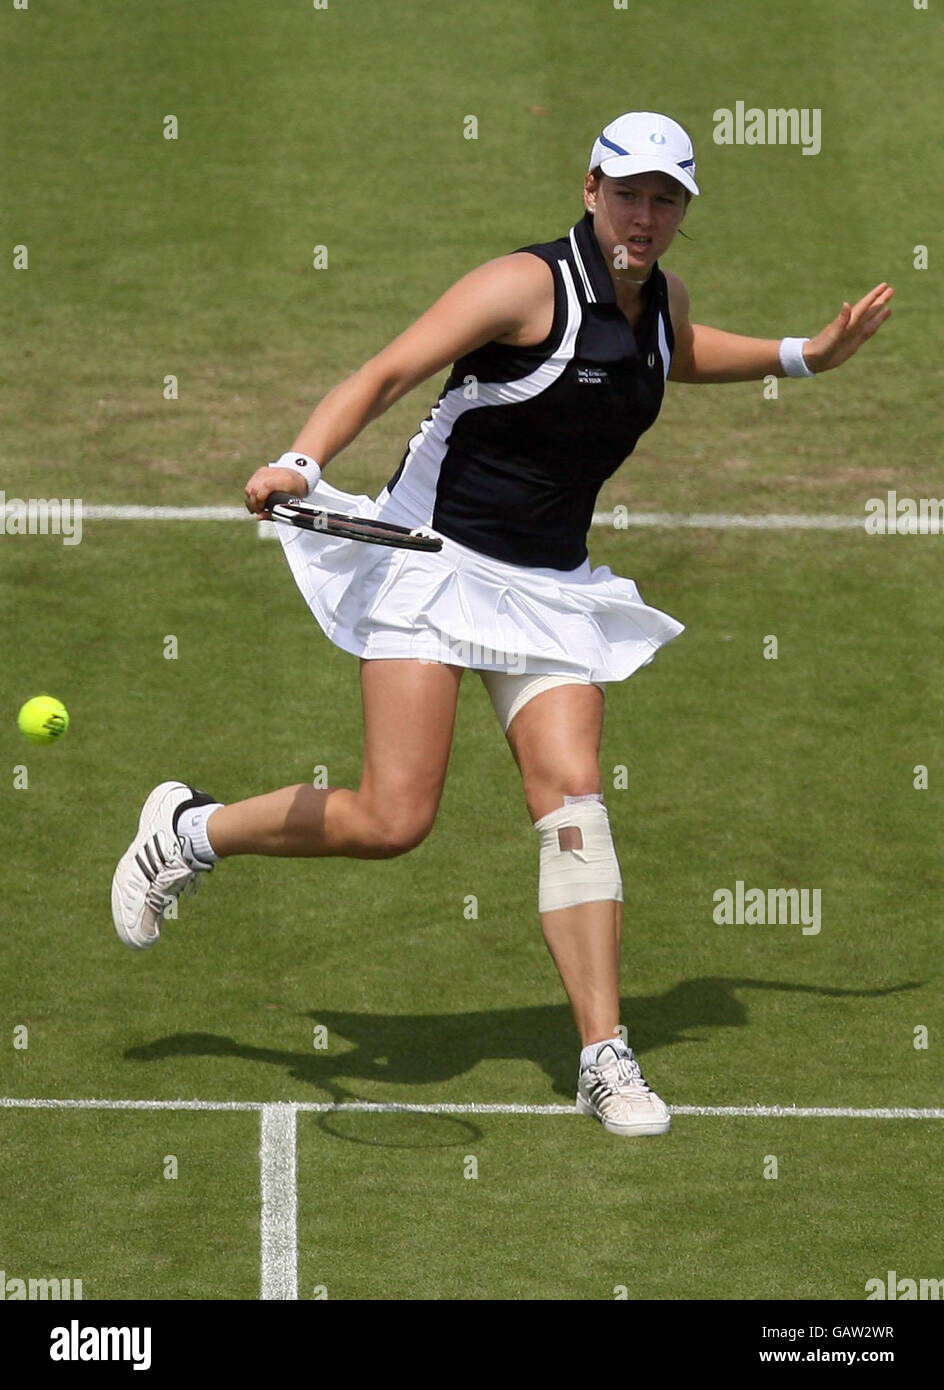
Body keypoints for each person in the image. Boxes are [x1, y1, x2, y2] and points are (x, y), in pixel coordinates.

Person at [111, 111, 893, 1137]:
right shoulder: (522, 286)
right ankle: (190, 830)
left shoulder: (662, 307)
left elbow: (675, 353)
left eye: (664, 200)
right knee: (394, 820)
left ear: (682, 211)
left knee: (571, 794)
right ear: (589, 189)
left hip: (549, 589)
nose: (644, 216)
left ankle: (604, 1058)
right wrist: (299, 463)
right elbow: (386, 372)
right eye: (627, 194)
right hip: (429, 566)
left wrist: (802, 354)